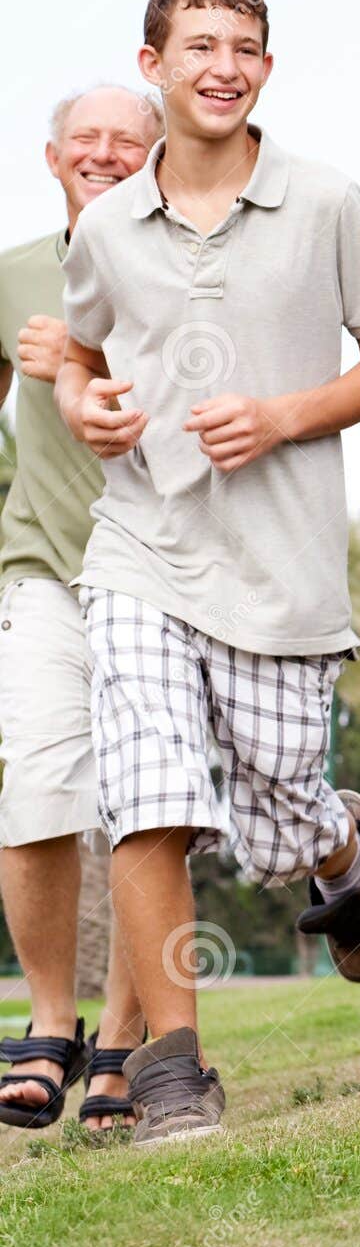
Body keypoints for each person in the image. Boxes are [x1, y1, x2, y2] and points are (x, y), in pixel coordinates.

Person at [55, 0, 360, 1144]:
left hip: (280, 567)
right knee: (148, 795)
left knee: (272, 818)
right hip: (143, 546)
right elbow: (79, 355)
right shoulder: (108, 224)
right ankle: (173, 1068)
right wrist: (85, 406)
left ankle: (335, 842)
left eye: (245, 46)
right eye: (199, 45)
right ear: (153, 65)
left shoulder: (324, 201)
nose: (223, 66)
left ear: (266, 65)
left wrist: (280, 416)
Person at [0, 87, 160, 1134]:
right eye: (86, 139)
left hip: (163, 565)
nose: (104, 153)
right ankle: (48, 1023)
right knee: (39, 783)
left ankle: (123, 1042)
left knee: (153, 803)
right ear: (53, 155)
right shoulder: (14, 273)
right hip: (41, 563)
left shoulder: (182, 262)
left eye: (127, 140)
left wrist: (89, 366)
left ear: (157, 156)